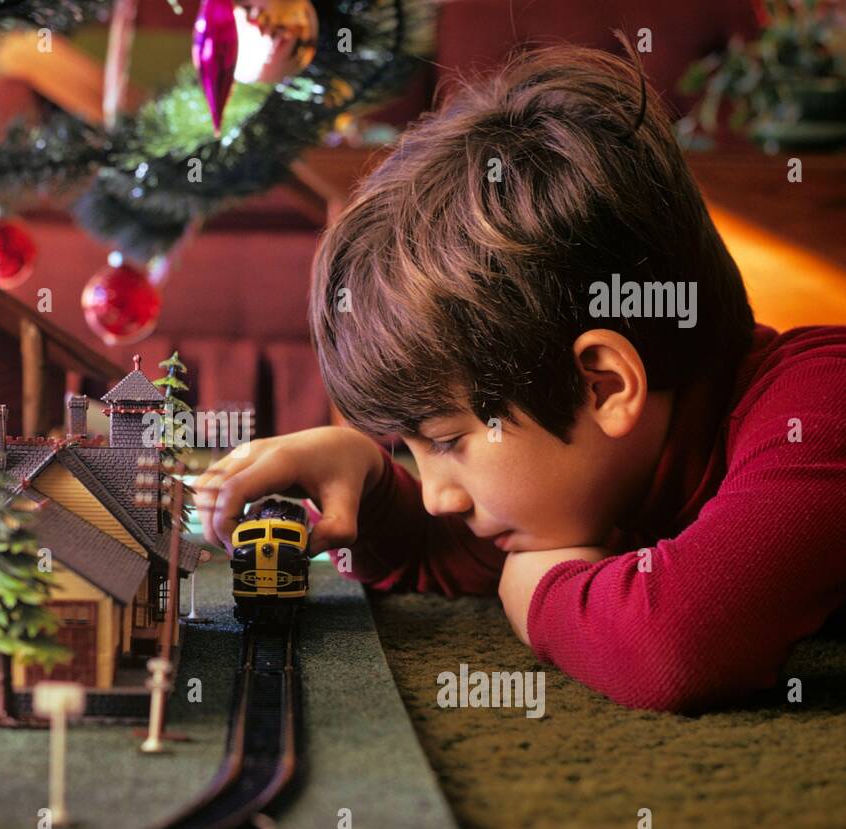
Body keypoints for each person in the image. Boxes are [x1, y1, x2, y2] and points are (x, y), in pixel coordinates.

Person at [194, 44, 846, 715]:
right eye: (411, 448)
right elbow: (454, 556)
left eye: (447, 442)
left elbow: (677, 645)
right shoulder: (605, 479)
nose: (439, 497)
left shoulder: (824, 404)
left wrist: (541, 592)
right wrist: (369, 484)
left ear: (604, 387)